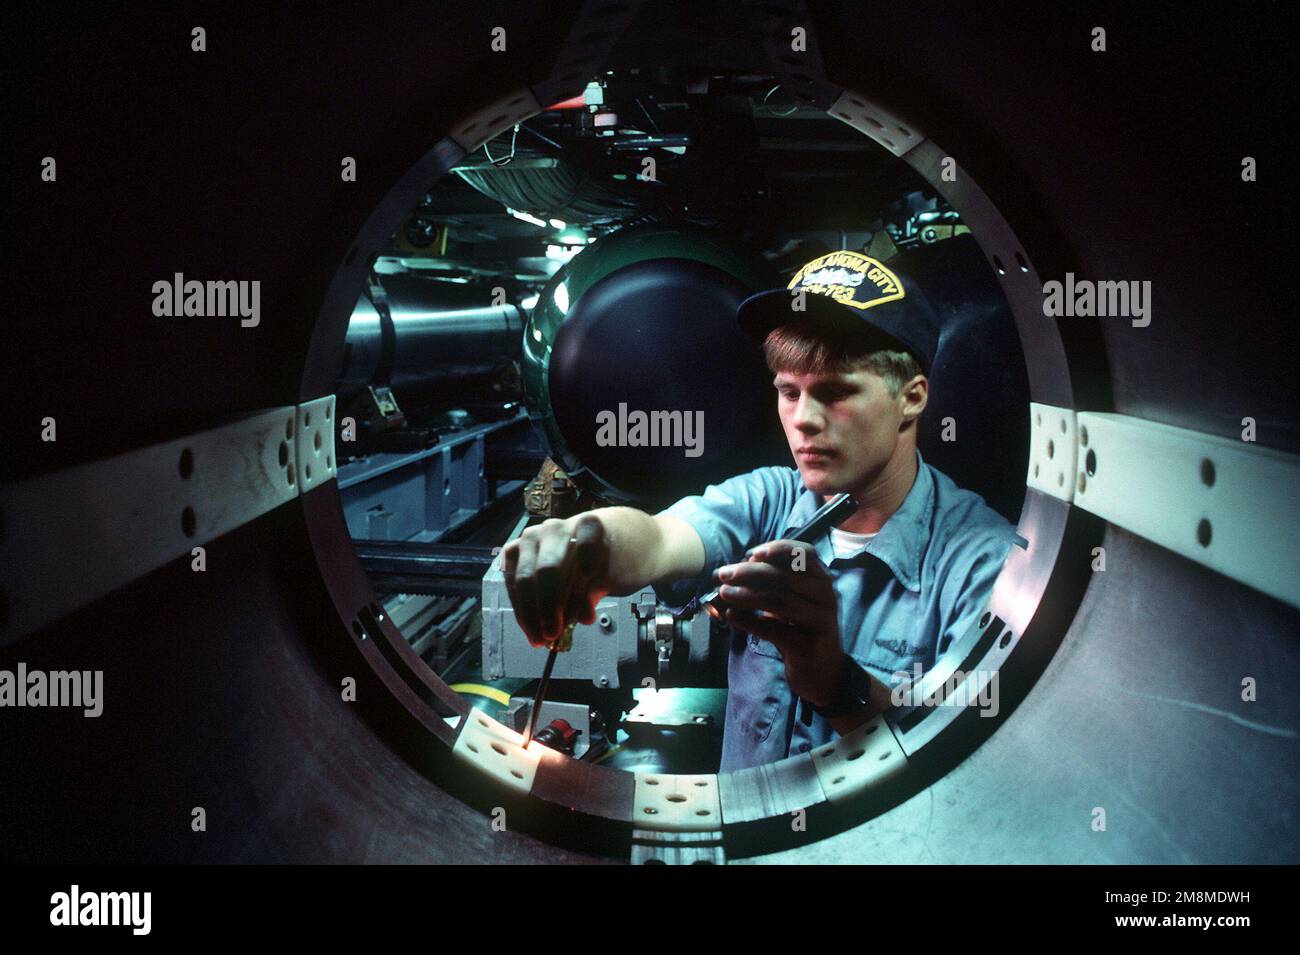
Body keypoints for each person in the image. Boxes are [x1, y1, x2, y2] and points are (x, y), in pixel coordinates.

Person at [501, 251, 1021, 771]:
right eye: (788, 392)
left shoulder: (986, 568)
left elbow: (965, 766)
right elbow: (658, 540)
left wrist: (834, 681)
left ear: (912, 398)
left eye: (836, 392)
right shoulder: (770, 499)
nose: (804, 420)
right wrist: (590, 541)